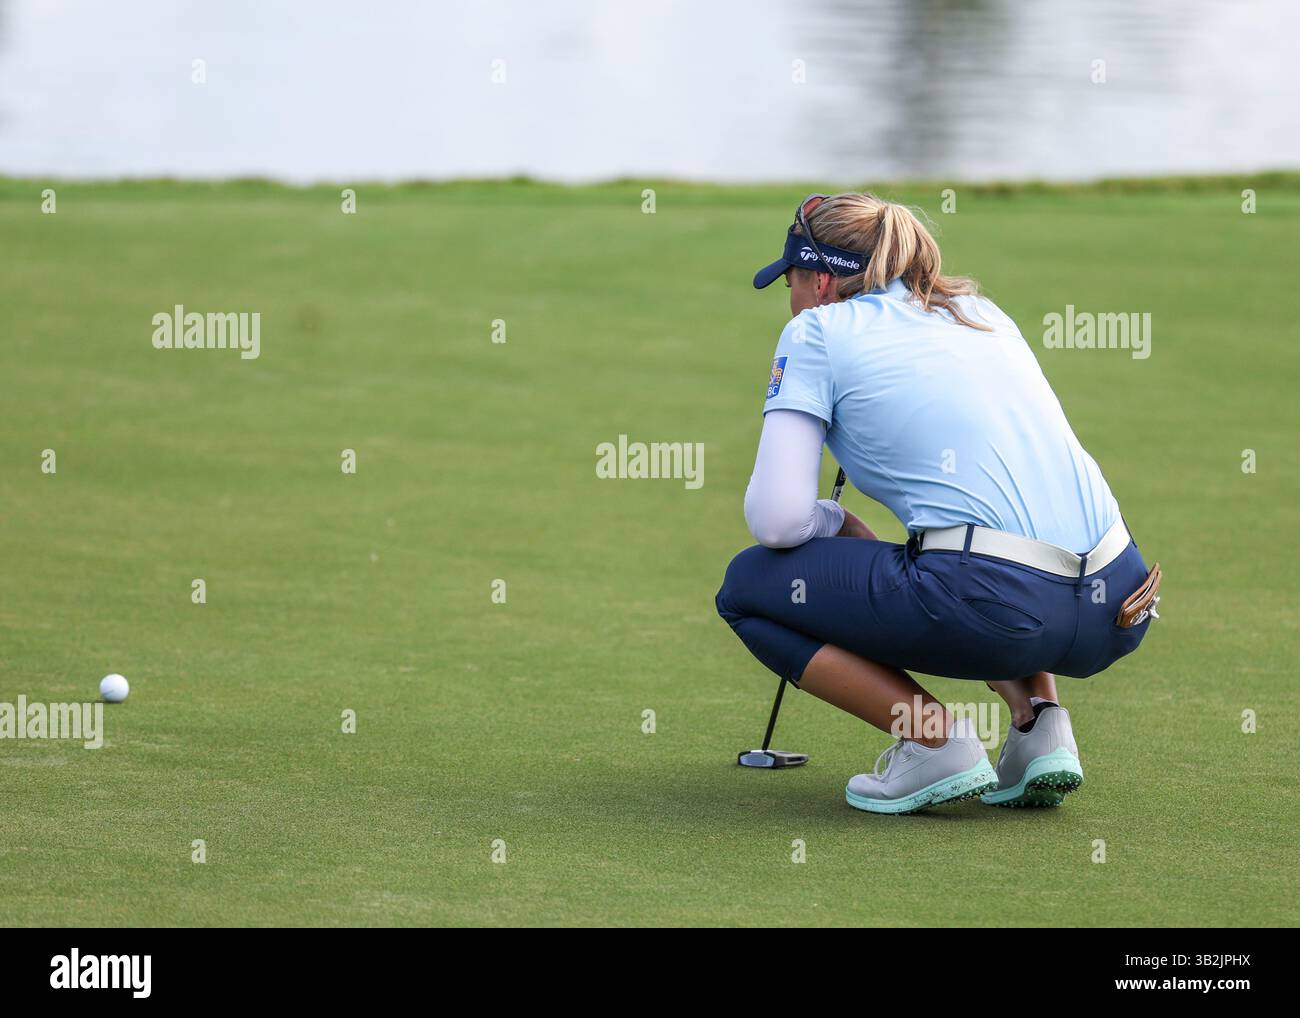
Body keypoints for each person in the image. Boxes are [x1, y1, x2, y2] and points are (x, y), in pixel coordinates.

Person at [715, 193, 1160, 814]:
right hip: (1119, 602)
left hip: (1003, 608)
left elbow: (777, 520)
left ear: (818, 281)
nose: (789, 295)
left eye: (789, 279)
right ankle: (1040, 728)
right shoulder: (977, 310)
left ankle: (935, 742)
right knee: (963, 552)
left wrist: (835, 518)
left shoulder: (813, 330)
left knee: (747, 586)